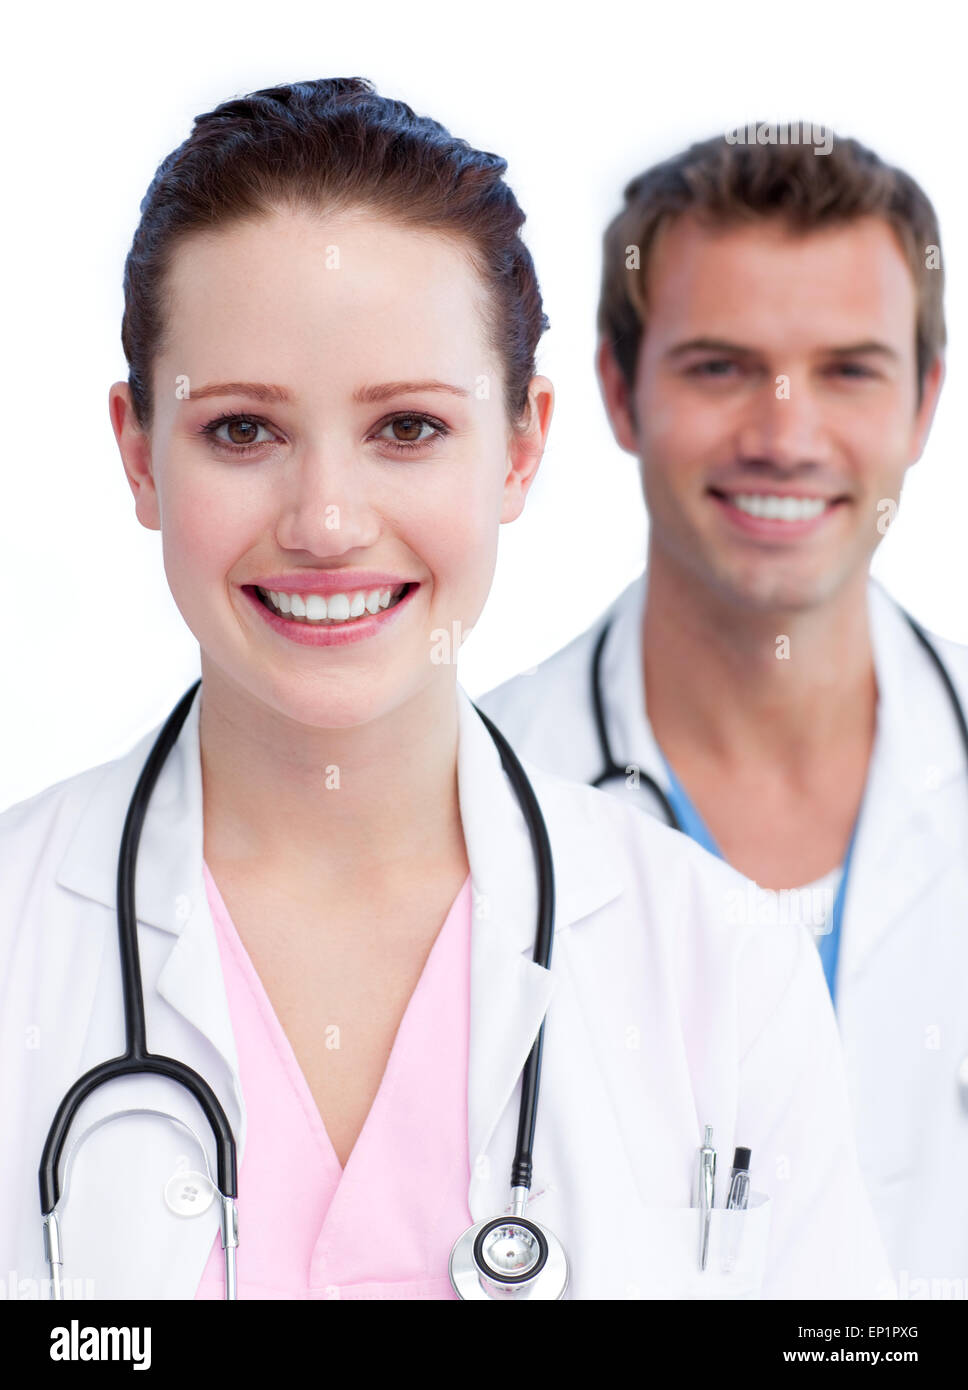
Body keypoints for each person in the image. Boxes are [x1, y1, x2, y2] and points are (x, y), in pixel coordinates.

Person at [0, 82, 892, 1302]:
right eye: (243, 431)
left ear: (522, 446)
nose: (324, 521)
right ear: (139, 451)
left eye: (408, 428)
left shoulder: (723, 974)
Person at [480, 126, 968, 1297]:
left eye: (847, 369)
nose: (782, 437)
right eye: (718, 366)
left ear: (921, 402)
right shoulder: (472, 807)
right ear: (616, 390)